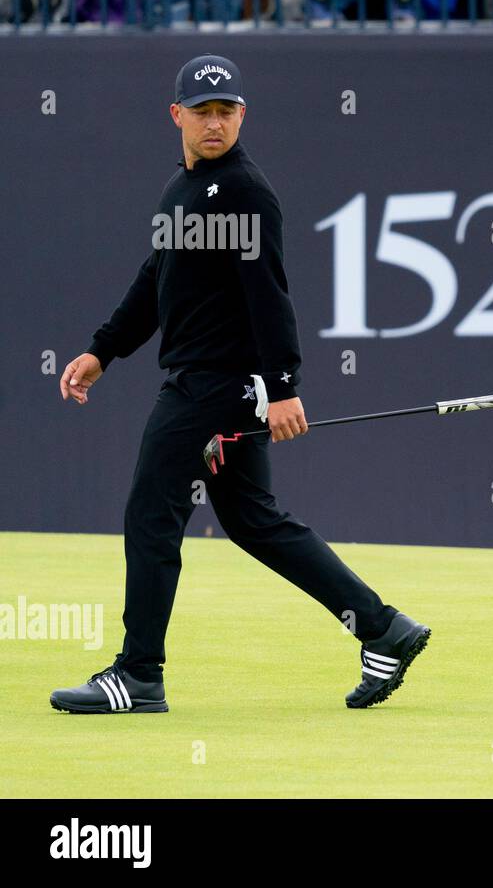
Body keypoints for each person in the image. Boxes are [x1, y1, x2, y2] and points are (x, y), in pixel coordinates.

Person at [51, 54, 430, 715]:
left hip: (214, 388)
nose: (215, 123)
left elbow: (269, 296)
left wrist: (284, 385)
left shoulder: (245, 191)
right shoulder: (184, 188)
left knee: (150, 512)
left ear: (242, 116)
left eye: (227, 112)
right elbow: (156, 280)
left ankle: (138, 674)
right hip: (217, 385)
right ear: (177, 116)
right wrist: (103, 350)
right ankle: (382, 629)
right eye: (202, 112)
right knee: (253, 520)